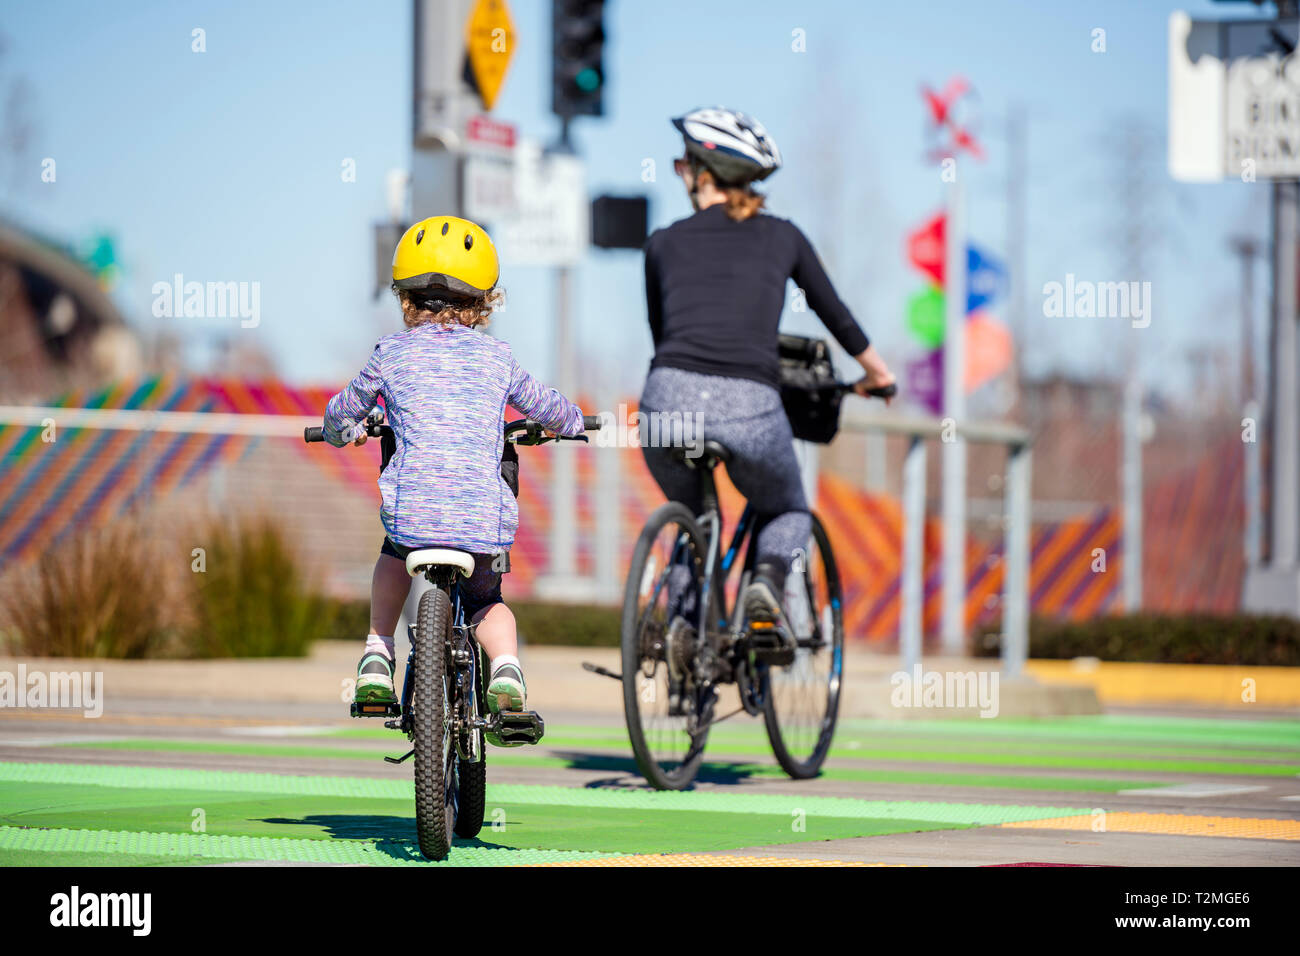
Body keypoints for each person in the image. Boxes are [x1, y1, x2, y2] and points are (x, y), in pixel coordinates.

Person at [321, 216, 584, 744]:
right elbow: (547, 406)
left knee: (394, 552)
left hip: (413, 515)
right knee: (487, 599)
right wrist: (572, 423)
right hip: (479, 521)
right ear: (484, 300)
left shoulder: (390, 353)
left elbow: (339, 413)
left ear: (405, 296)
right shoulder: (498, 357)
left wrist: (343, 430)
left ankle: (377, 653)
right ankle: (507, 667)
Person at [641, 107, 896, 649]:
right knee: (786, 508)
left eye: (684, 161)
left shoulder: (661, 242)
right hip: (749, 405)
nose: (679, 170)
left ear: (705, 172)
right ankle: (766, 585)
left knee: (690, 516)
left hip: (665, 402)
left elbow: (662, 337)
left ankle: (684, 634)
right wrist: (877, 374)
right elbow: (836, 314)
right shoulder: (783, 237)